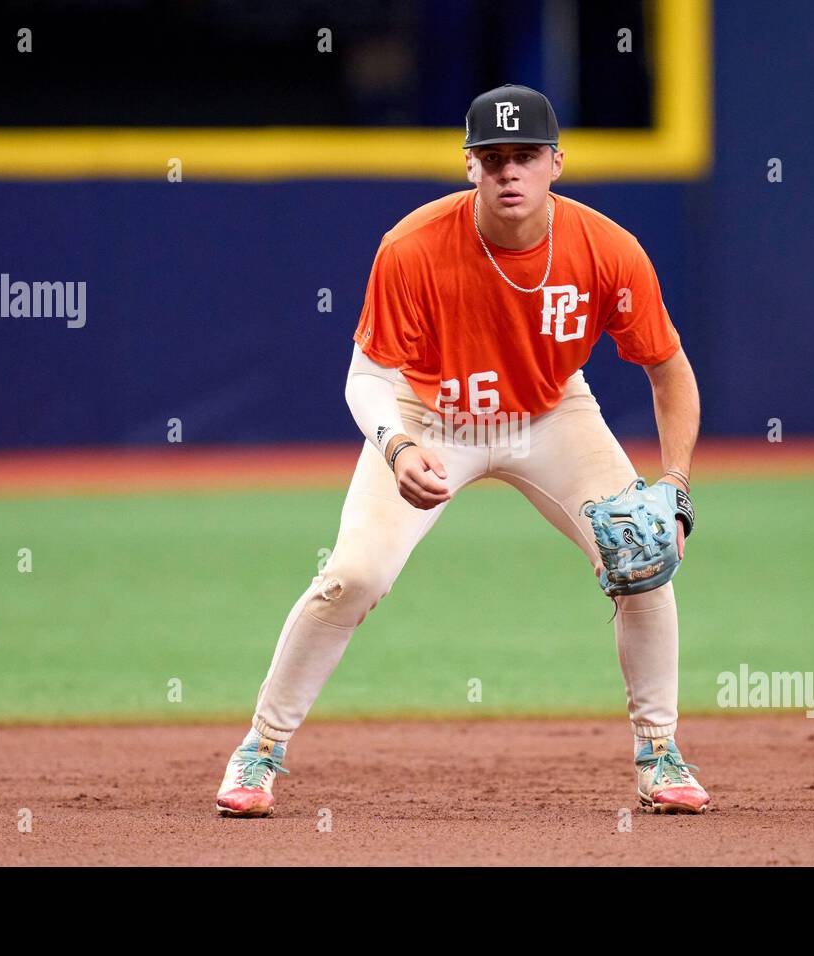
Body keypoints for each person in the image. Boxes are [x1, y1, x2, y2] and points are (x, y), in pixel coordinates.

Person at [216, 84, 709, 817]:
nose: (510, 171)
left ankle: (659, 752)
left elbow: (668, 369)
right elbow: (367, 377)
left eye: (526, 156)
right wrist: (396, 445)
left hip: (550, 413)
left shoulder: (608, 250)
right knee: (352, 576)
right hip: (431, 417)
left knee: (639, 560)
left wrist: (672, 484)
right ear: (469, 166)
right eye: (493, 157)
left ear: (557, 163)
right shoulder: (413, 246)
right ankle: (260, 748)